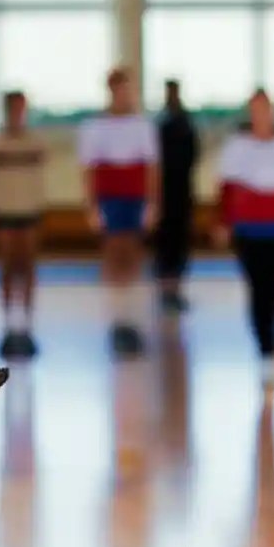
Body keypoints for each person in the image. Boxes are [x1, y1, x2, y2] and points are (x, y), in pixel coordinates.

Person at [211, 90, 274, 381]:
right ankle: (265, 349)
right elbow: (226, 190)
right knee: (258, 288)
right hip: (249, 228)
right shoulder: (237, 148)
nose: (261, 116)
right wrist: (223, 223)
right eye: (255, 110)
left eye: (265, 109)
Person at [79, 67, 159, 355]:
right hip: (110, 198)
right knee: (113, 259)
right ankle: (117, 321)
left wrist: (152, 203)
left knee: (133, 258)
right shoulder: (96, 127)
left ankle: (133, 320)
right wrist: (92, 207)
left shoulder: (142, 126)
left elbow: (151, 167)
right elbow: (88, 169)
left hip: (134, 197)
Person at [0, 90, 46, 357]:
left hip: (29, 210)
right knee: (6, 268)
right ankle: (8, 324)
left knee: (28, 267)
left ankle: (27, 325)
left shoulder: (35, 141)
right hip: (3, 211)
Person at [154, 79, 197, 314]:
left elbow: (193, 154)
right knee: (166, 244)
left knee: (181, 243)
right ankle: (165, 291)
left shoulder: (185, 122)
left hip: (182, 190)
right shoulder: (161, 123)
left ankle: (177, 290)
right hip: (163, 192)